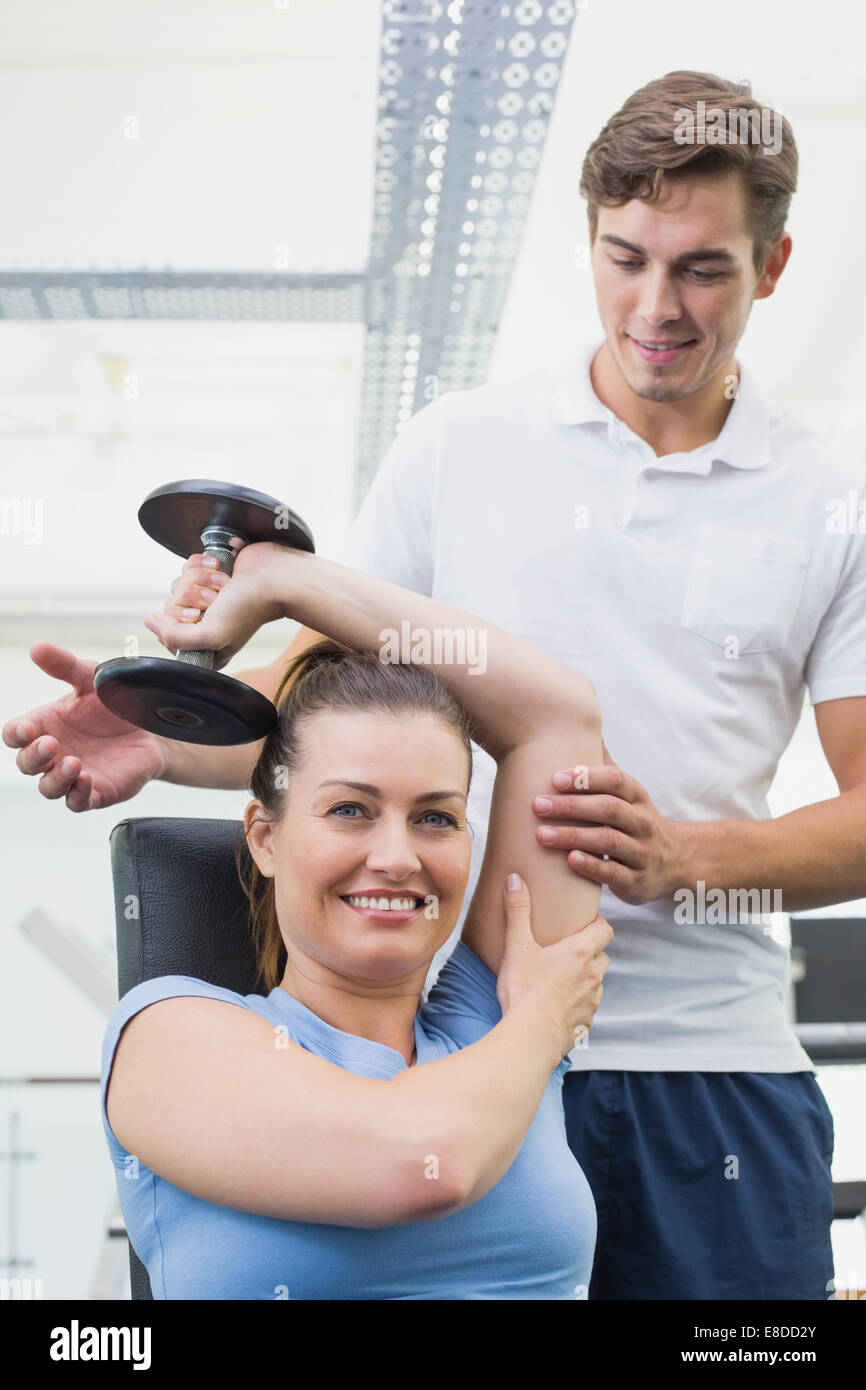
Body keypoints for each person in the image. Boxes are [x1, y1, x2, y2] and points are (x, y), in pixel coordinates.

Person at [5, 69, 865, 1299]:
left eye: (702, 269)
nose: (654, 306)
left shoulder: (831, 502)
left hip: (702, 1060)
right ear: (586, 241)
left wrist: (685, 861)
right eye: (622, 259)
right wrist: (169, 736)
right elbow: (338, 716)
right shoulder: (459, 448)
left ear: (771, 265)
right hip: (447, 1028)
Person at [100, 540, 613, 1299]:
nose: (398, 857)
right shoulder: (168, 1034)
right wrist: (540, 1027)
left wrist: (286, 584)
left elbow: (558, 718)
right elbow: (418, 1165)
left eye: (436, 818)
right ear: (265, 838)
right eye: (350, 810)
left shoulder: (489, 1019)